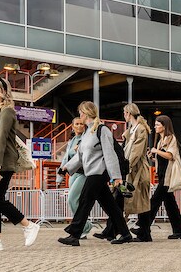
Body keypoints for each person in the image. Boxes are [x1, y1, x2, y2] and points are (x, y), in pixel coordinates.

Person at [0, 77, 40, 252]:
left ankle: (28, 225)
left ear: (3, 92)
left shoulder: (7, 112)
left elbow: (1, 140)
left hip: (1, 164)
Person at [57, 101, 133, 246]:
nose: (79, 115)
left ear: (85, 113)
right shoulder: (87, 132)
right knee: (110, 206)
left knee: (85, 201)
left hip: (99, 172)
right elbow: (80, 156)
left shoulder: (102, 130)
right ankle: (125, 233)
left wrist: (116, 176)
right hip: (92, 172)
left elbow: (109, 154)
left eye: (80, 112)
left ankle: (75, 234)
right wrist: (66, 167)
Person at [95, 103, 151, 240]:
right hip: (129, 170)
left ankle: (139, 232)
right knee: (121, 199)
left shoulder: (140, 129)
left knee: (134, 200)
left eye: (124, 113)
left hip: (135, 171)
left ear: (128, 113)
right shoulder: (132, 129)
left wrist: (126, 166)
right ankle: (113, 230)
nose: (124, 116)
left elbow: (136, 151)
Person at [134, 114, 181, 241]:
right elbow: (162, 158)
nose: (155, 127)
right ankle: (179, 231)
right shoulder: (160, 141)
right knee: (170, 205)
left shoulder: (171, 138)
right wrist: (152, 156)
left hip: (167, 177)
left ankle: (143, 228)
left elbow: (170, 156)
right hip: (162, 175)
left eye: (158, 125)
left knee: (154, 201)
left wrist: (156, 151)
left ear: (164, 126)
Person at [60, 117, 94, 238]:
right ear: (73, 126)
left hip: (84, 173)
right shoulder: (72, 140)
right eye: (77, 124)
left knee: (72, 199)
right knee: (75, 202)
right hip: (72, 174)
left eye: (81, 124)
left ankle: (84, 226)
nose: (79, 126)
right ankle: (83, 228)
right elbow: (66, 158)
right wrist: (60, 175)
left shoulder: (87, 138)